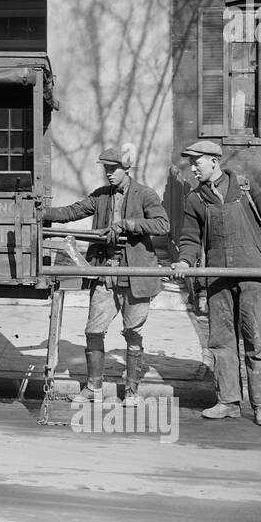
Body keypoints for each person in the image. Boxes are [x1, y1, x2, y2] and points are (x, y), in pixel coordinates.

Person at [171, 140, 261, 427]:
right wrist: (184, 262)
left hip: (252, 276)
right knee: (221, 342)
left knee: (255, 339)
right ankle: (228, 402)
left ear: (214, 161)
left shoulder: (244, 187)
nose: (193, 168)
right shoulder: (195, 199)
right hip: (218, 278)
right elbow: (190, 240)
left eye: (197, 162)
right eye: (191, 163)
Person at [41, 143, 169, 402]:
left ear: (126, 169)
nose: (109, 173)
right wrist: (40, 213)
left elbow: (162, 224)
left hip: (136, 276)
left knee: (133, 334)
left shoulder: (145, 195)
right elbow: (72, 211)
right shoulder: (101, 196)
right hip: (104, 273)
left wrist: (129, 224)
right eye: (106, 169)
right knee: (93, 331)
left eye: (114, 168)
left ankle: (132, 391)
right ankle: (94, 388)